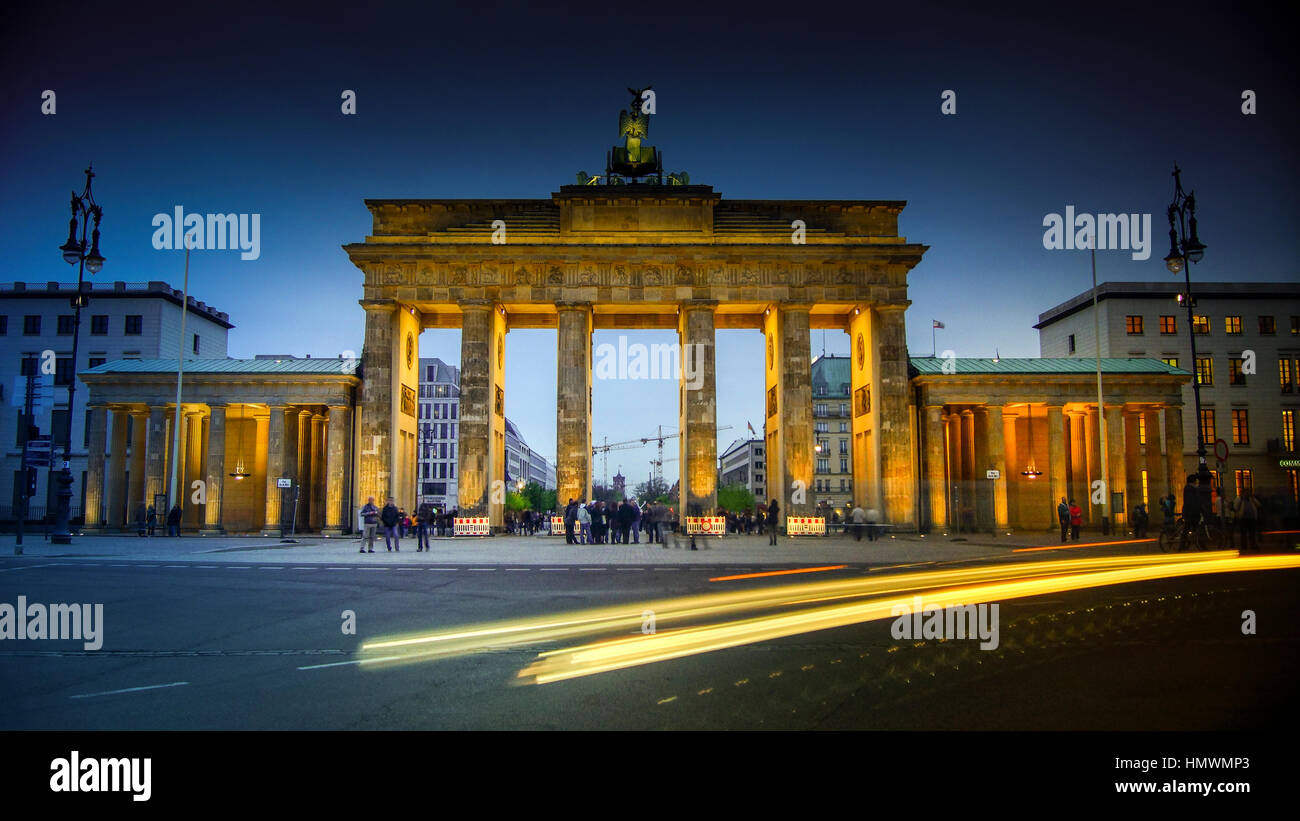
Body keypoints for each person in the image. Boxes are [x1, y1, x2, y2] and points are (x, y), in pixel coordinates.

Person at [1234, 487, 1261, 553]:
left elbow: (1259, 505)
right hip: (1243, 518)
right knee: (1243, 533)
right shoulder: (1239, 499)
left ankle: (1253, 545)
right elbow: (1235, 507)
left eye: (1248, 492)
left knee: (1252, 533)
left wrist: (1253, 499)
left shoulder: (1251, 499)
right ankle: (1244, 546)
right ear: (1243, 493)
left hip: (1252, 518)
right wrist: (1241, 500)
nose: (1248, 494)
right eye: (1246, 492)